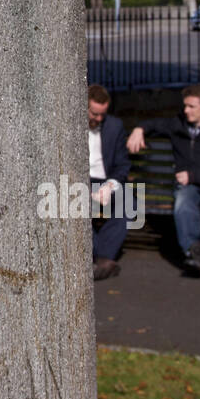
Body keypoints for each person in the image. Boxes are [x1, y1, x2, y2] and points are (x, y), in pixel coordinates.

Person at [127, 86, 200, 277]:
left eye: (191, 106)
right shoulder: (178, 124)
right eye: (185, 106)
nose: (186, 110)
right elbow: (154, 124)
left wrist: (193, 175)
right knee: (183, 203)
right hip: (187, 185)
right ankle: (195, 253)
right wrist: (139, 129)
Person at [88, 84, 131, 281]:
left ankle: (103, 258)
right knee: (72, 205)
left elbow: (122, 165)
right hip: (80, 183)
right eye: (94, 114)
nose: (98, 119)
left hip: (105, 181)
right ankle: (98, 256)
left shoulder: (114, 126)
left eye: (102, 115)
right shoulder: (68, 127)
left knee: (129, 204)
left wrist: (109, 186)